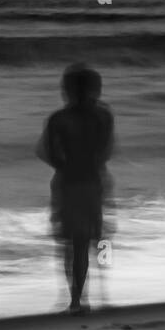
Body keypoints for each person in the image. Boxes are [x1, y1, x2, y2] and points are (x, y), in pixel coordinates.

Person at [36, 63, 114, 314]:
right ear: (95, 90)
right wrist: (91, 163)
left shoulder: (59, 118)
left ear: (66, 91)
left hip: (70, 183)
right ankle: (95, 295)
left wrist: (64, 165)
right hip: (92, 181)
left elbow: (44, 151)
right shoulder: (102, 117)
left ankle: (76, 299)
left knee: (72, 242)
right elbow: (105, 150)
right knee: (93, 238)